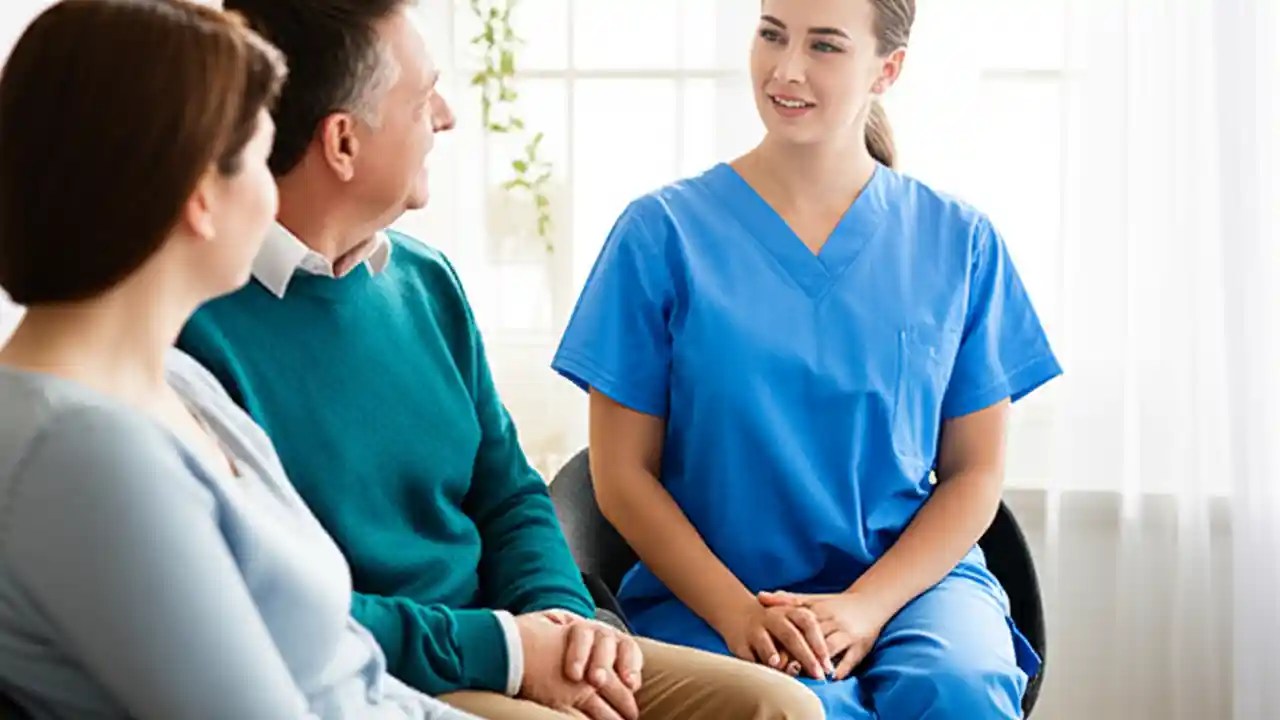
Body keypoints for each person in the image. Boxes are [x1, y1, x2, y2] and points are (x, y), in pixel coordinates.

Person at [175, 1, 824, 719]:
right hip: (392, 671)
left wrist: (568, 624)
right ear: (342, 142)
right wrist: (507, 649)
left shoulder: (427, 282)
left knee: (781, 709)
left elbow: (510, 491)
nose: (446, 117)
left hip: (517, 637)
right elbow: (276, 604)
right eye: (423, 100)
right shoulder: (196, 331)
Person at [551, 0, 1062, 718]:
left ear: (888, 70)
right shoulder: (659, 236)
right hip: (717, 593)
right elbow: (621, 475)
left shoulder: (960, 243)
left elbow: (975, 472)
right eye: (771, 35)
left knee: (959, 689)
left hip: (912, 589)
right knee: (797, 705)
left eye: (825, 46)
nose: (786, 70)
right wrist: (737, 614)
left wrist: (864, 606)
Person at [0, 2, 479, 718]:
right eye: (261, 157)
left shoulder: (175, 383)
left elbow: (350, 672)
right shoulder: (81, 453)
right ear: (201, 197)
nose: (276, 191)